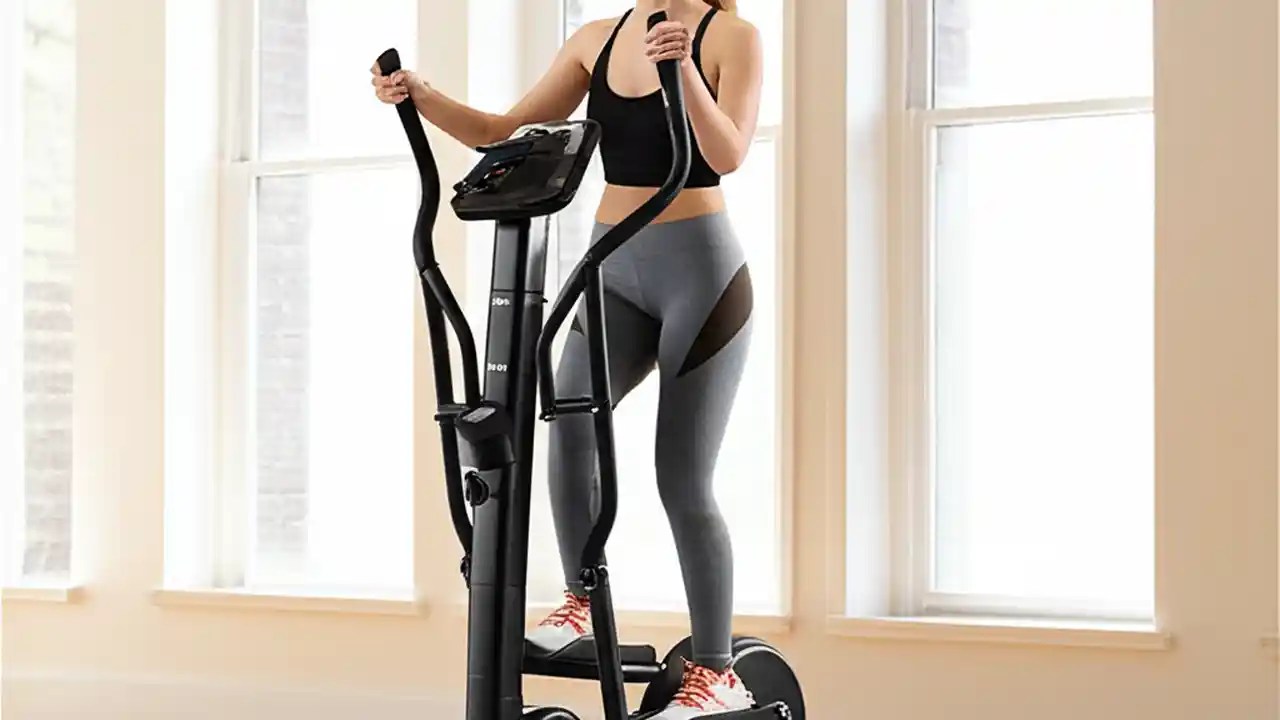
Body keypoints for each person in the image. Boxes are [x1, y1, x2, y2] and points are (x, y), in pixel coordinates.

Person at [373, 1, 763, 716]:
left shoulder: (730, 36)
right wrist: (421, 97)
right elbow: (500, 132)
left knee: (682, 477)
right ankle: (579, 602)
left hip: (701, 276)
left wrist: (683, 70)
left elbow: (728, 155)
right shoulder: (595, 39)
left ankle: (717, 670)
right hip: (612, 263)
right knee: (569, 422)